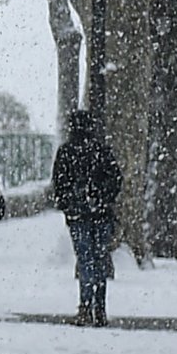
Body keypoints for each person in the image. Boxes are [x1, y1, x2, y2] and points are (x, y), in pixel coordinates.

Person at [51, 108, 125, 326]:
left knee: (85, 259)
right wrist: (103, 198)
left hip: (78, 215)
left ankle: (85, 306)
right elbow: (116, 179)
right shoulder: (101, 150)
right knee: (100, 258)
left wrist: (69, 204)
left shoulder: (66, 152)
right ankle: (100, 307)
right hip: (101, 214)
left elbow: (59, 183)